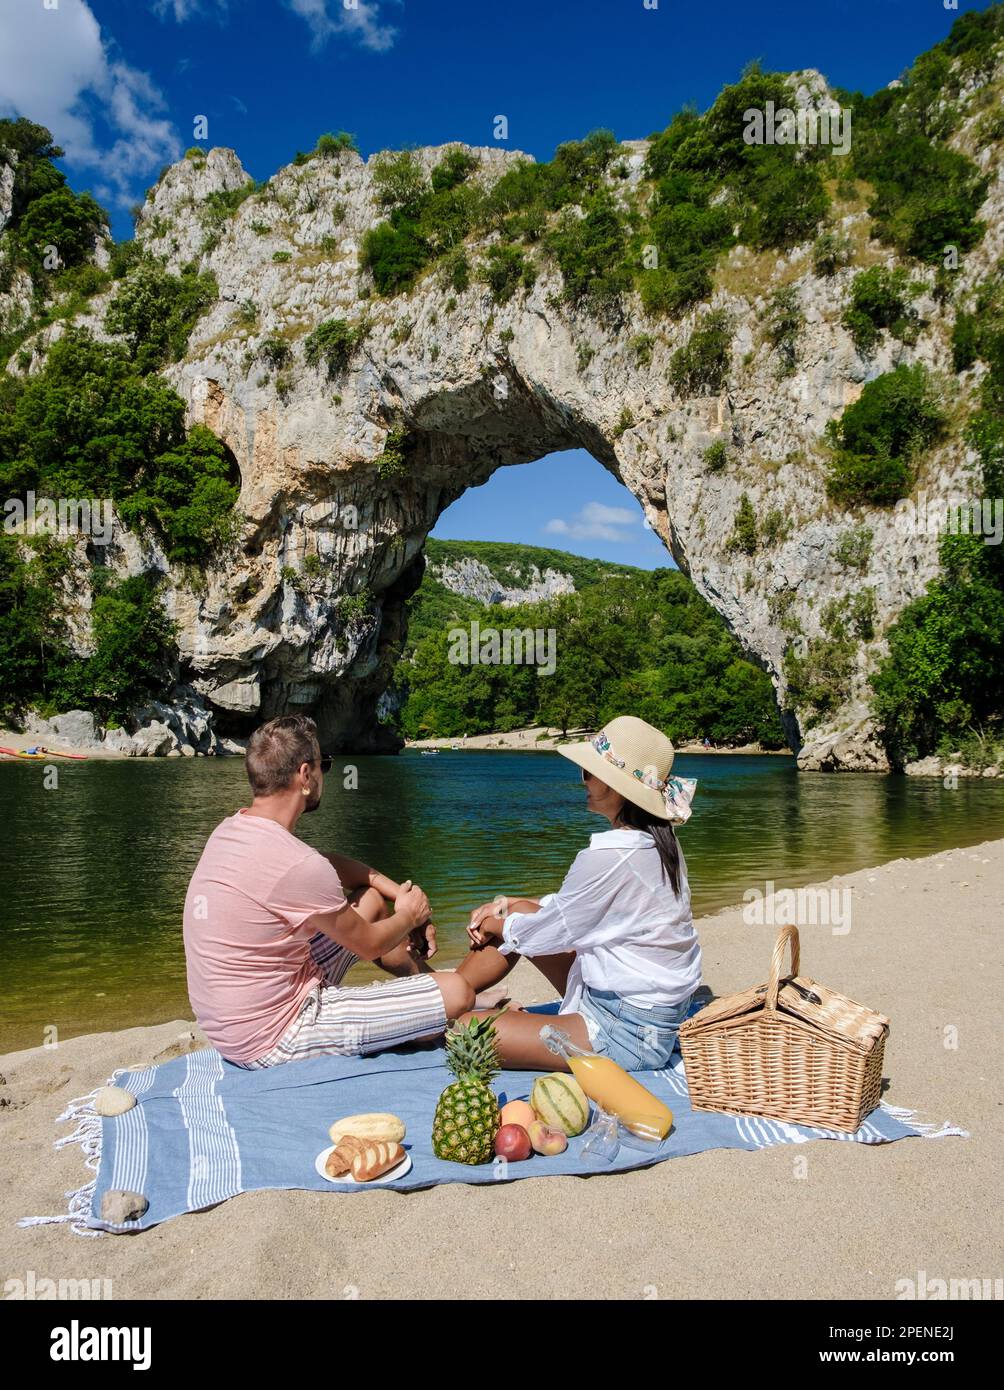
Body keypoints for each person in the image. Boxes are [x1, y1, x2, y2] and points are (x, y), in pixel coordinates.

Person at [183, 714, 473, 1068]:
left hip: (230, 1026)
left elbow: (332, 863)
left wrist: (397, 893)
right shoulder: (297, 864)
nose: (325, 775)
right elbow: (368, 944)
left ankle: (420, 994)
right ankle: (423, 1011)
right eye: (325, 766)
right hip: (274, 1036)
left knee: (367, 899)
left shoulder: (232, 829)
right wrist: (411, 914)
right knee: (459, 992)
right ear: (305, 776)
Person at [455, 716, 702, 1072]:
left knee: (466, 1032)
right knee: (515, 915)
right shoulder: (660, 841)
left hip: (627, 1031)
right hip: (645, 1010)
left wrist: (496, 924)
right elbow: (572, 912)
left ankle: (445, 1002)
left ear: (616, 787)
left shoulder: (612, 854)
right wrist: (506, 908)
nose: (582, 781)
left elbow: (550, 931)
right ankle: (447, 997)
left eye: (588, 772)